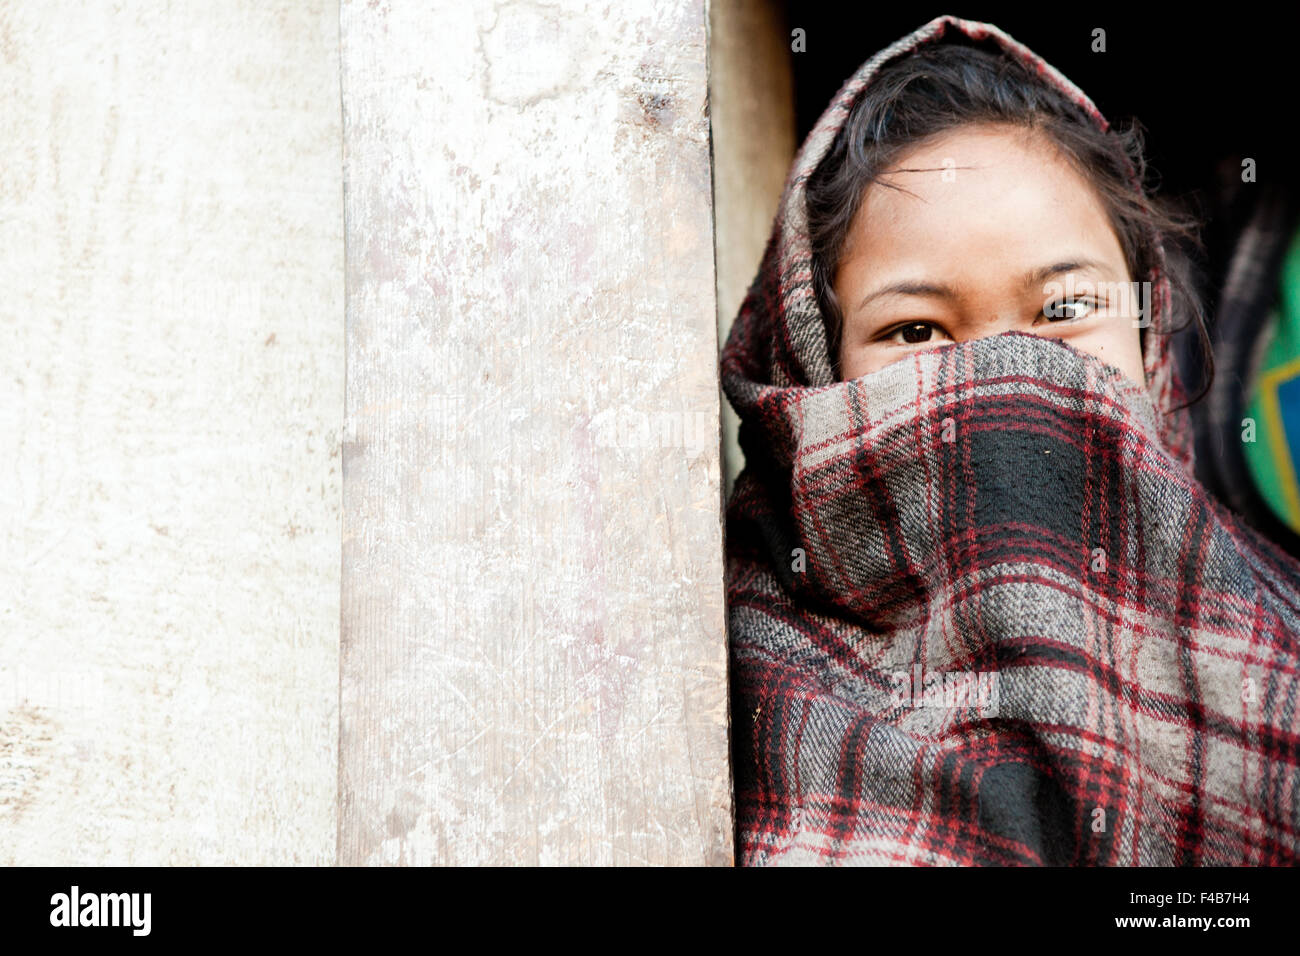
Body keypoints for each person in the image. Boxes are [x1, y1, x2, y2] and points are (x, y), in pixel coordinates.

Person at [721, 15, 1300, 865]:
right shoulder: (736, 682)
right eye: (916, 331)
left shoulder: (1274, 651)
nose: (1009, 377)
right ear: (810, 371)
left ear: (1148, 337)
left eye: (1064, 312)